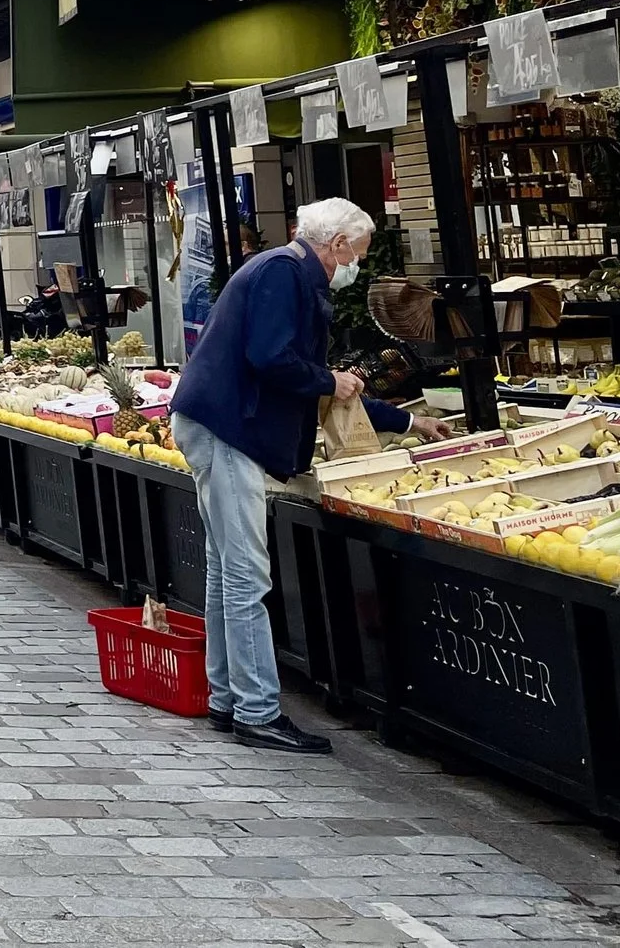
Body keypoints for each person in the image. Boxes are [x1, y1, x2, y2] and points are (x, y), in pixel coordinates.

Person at [172, 197, 446, 750]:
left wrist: (407, 421)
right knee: (246, 576)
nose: (358, 265)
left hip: (220, 426)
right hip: (229, 430)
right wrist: (327, 381)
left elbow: (311, 379)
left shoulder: (285, 271)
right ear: (338, 244)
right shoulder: (283, 273)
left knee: (227, 571)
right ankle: (257, 711)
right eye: (359, 253)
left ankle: (226, 699)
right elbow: (273, 359)